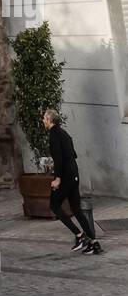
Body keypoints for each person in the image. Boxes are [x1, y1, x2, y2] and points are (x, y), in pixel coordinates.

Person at [43, 109, 102, 255]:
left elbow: (59, 158)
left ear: (50, 120)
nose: (43, 120)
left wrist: (57, 178)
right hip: (74, 174)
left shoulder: (54, 135)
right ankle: (94, 244)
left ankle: (79, 235)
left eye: (44, 118)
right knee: (76, 210)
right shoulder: (64, 133)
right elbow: (72, 154)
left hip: (65, 177)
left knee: (54, 205)